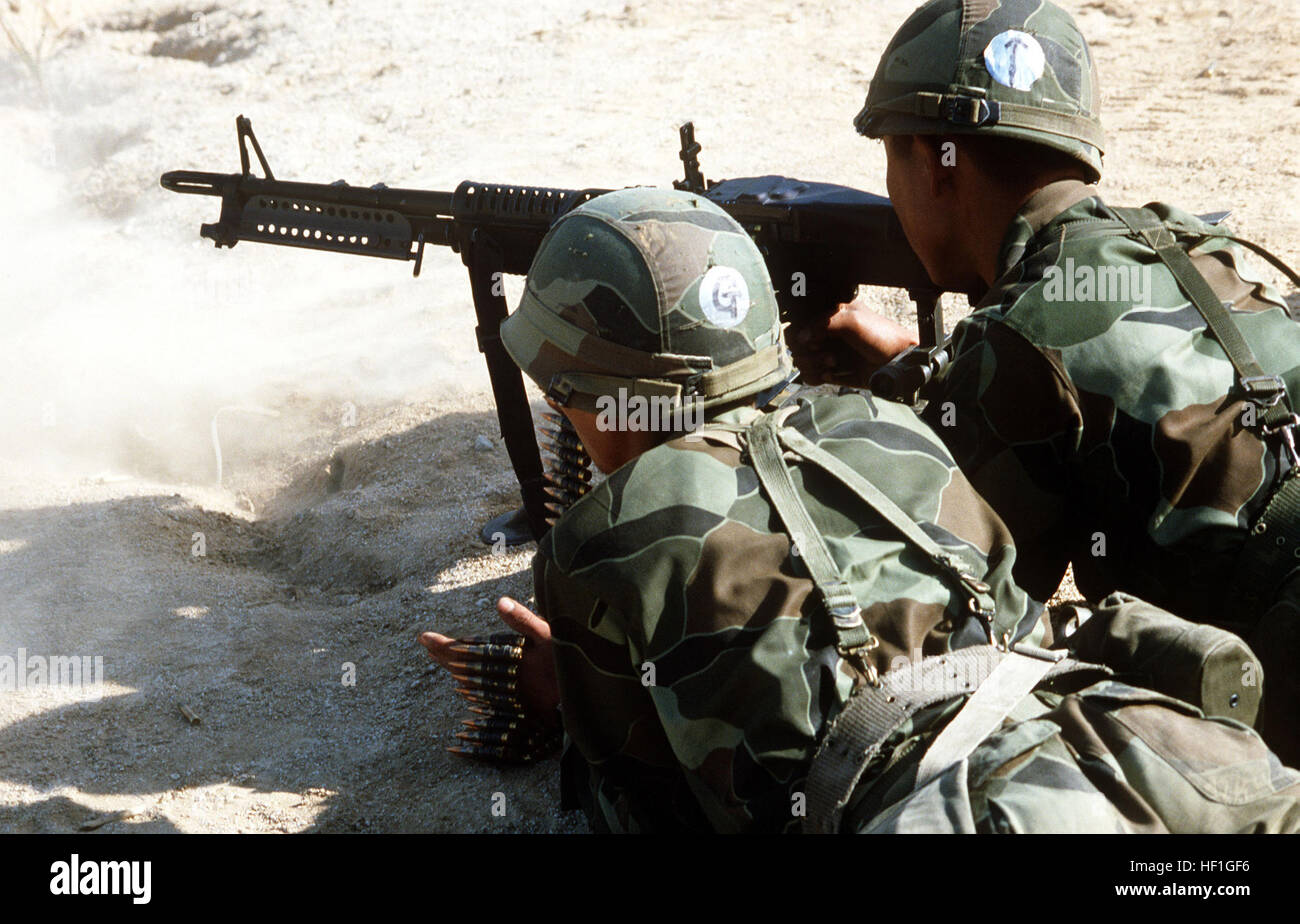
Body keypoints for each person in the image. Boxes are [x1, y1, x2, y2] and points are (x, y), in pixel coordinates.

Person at [420, 185, 1300, 833]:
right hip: (1154, 760)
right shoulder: (886, 422)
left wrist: (570, 692)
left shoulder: (600, 539)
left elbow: (645, 813)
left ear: (587, 396)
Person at [792, 0, 1300, 763]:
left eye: (890, 155)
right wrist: (929, 367)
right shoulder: (1183, 243)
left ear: (936, 162)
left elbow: (949, 611)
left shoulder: (1018, 338)